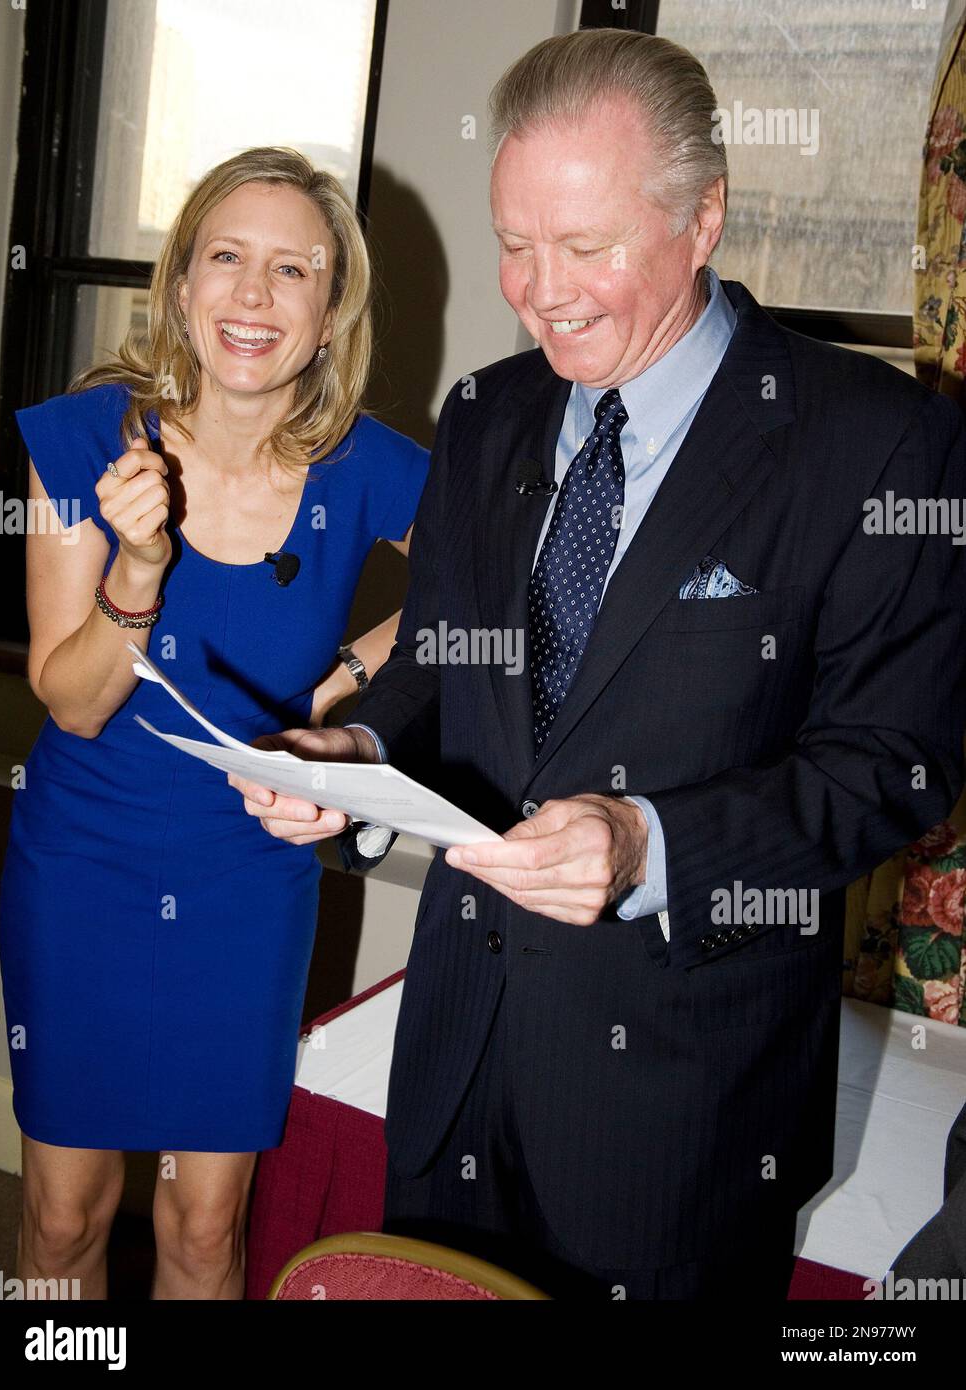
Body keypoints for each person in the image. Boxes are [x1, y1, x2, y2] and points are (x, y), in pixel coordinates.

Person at [228, 31, 966, 1299]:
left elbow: (891, 766)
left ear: (704, 217)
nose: (538, 290)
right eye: (516, 241)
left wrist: (649, 843)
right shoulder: (485, 413)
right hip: (459, 1055)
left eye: (586, 247)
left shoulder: (876, 443)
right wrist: (351, 750)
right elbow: (444, 670)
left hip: (689, 1106)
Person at [0, 146, 429, 1300]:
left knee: (203, 1228)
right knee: (61, 1221)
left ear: (331, 311)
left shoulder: (363, 465)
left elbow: (491, 589)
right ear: (180, 284)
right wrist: (137, 566)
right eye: (227, 258)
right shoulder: (90, 441)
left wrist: (343, 680)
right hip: (83, 861)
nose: (253, 294)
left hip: (248, 875)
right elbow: (74, 701)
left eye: (294, 269)